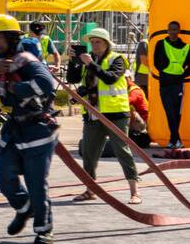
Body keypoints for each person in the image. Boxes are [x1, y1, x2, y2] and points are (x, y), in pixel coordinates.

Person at [0, 13, 59, 244]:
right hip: (13, 128)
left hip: (38, 129)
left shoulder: (27, 59)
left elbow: (46, 84)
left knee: (35, 182)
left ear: (11, 38)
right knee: (4, 176)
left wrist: (14, 86)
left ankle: (44, 228)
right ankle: (24, 208)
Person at [66, 28, 141, 205]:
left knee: (122, 151)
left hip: (116, 113)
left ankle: (135, 191)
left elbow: (110, 78)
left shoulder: (117, 59)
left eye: (98, 41)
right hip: (93, 113)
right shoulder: (88, 60)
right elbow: (72, 78)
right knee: (88, 153)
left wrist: (91, 64)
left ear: (107, 43)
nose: (94, 45)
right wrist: (73, 62)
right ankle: (90, 189)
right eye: (92, 42)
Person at [154, 20, 188, 149]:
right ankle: (176, 139)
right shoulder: (160, 43)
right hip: (164, 84)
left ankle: (173, 140)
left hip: (178, 85)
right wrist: (166, 72)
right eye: (170, 29)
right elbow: (156, 62)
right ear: (167, 30)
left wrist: (181, 75)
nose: (172, 32)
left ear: (179, 31)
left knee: (176, 113)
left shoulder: (186, 47)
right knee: (169, 112)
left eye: (175, 29)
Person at [127, 72, 151, 149]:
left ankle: (130, 132)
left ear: (128, 79)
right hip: (140, 120)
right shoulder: (127, 89)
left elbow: (128, 101)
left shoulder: (135, 90)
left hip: (144, 122)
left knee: (129, 110)